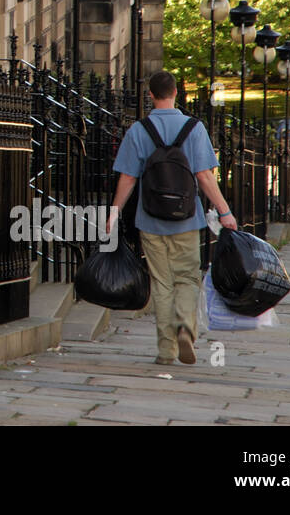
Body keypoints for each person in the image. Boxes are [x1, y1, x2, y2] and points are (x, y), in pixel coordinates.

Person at [106, 70, 237, 365]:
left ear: (150, 95)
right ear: (176, 92)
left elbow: (127, 178)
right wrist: (225, 211)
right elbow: (204, 176)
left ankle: (166, 350)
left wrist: (114, 212)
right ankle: (186, 330)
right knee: (187, 278)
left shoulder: (139, 130)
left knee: (162, 283)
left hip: (150, 220)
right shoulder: (194, 128)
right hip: (186, 219)